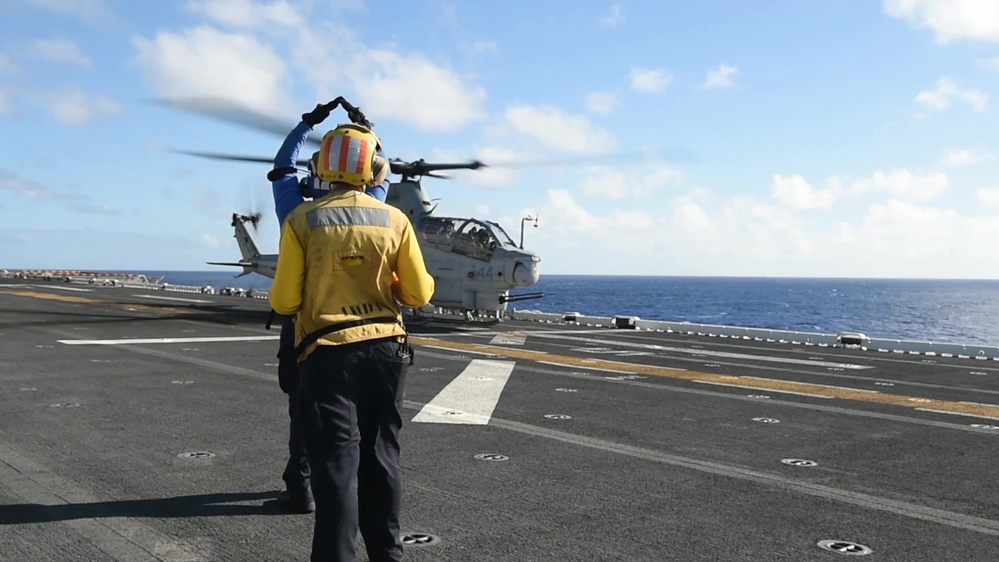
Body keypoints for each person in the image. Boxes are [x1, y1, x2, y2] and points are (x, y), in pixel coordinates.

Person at [268, 121, 435, 561]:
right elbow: (419, 294)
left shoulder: (303, 219)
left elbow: (284, 300)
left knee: (337, 471)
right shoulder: (394, 218)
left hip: (326, 357)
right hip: (387, 354)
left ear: (323, 165)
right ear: (375, 167)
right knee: (382, 460)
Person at [268, 102, 392, 514]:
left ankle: (301, 488)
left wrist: (307, 122)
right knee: (362, 422)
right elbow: (380, 173)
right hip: (368, 333)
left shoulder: (295, 212)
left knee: (302, 410)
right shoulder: (375, 208)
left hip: (306, 329)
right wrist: (366, 131)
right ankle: (351, 493)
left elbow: (283, 166)